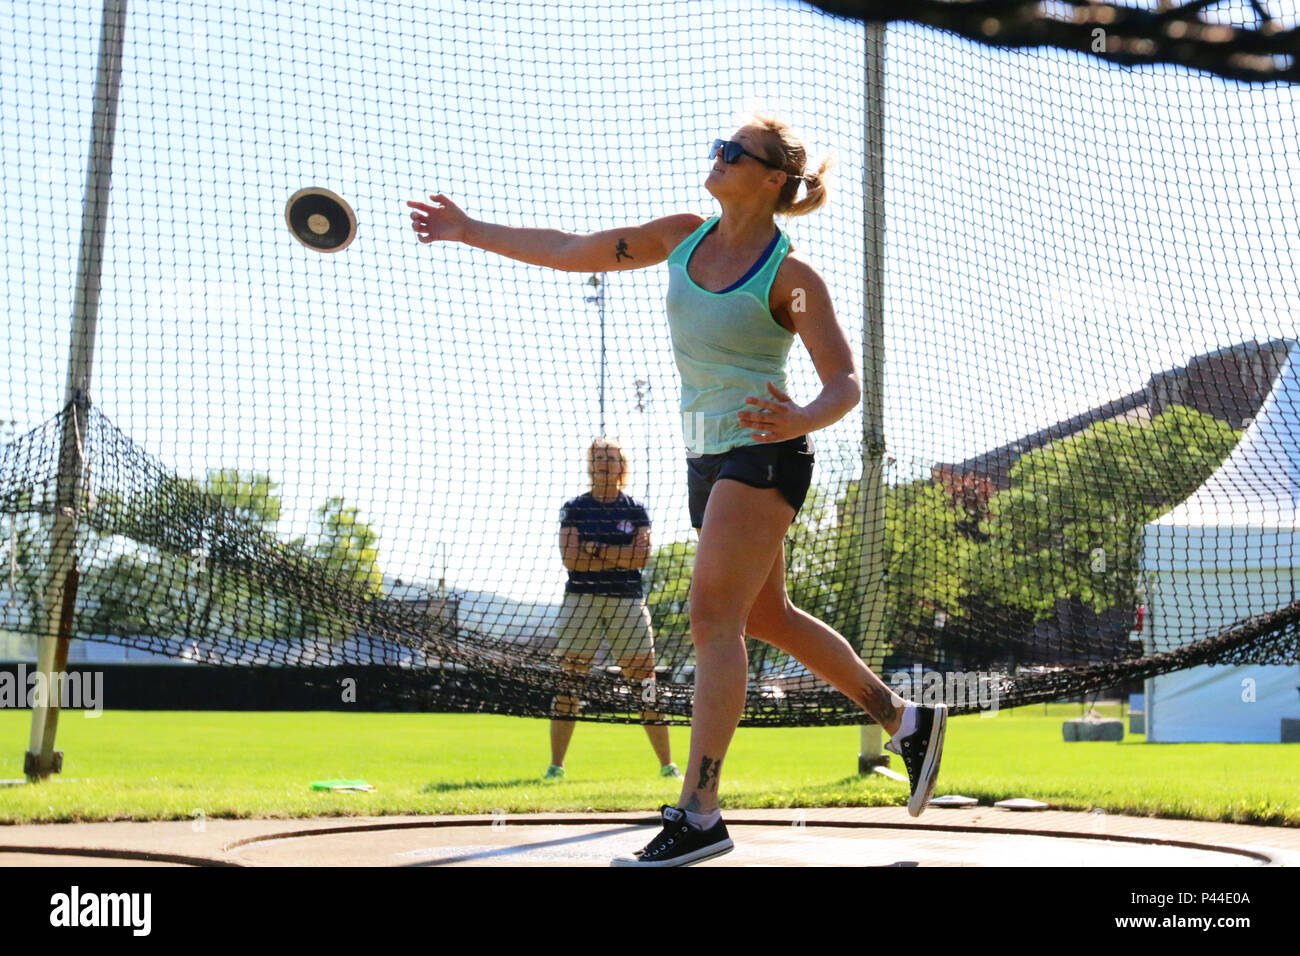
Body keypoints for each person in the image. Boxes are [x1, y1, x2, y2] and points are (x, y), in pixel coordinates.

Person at [407, 112, 946, 867]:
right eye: (717, 148)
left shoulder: (790, 279)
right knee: (768, 615)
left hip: (764, 453)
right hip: (706, 459)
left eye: (735, 153)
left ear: (769, 179)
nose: (718, 157)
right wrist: (469, 230)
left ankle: (700, 810)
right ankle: (906, 720)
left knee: (711, 616)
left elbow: (845, 381)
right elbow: (570, 250)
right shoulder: (680, 235)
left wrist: (801, 414)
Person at [546, 437, 679, 781]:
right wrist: (616, 556)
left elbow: (641, 558)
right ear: (590, 465)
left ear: (623, 467)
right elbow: (571, 560)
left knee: (645, 682)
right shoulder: (574, 508)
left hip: (628, 603)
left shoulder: (635, 510)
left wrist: (594, 548)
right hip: (581, 602)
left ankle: (667, 765)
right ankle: (556, 766)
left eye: (612, 458)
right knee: (570, 680)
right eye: (599, 458)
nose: (605, 463)